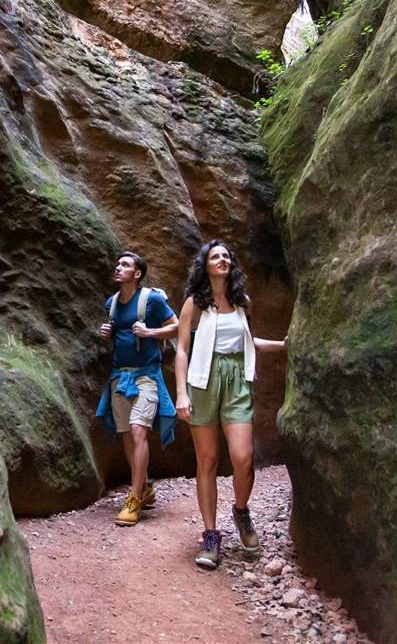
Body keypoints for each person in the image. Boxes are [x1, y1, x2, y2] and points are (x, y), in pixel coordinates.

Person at [174, 239, 286, 569]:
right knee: (207, 459)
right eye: (215, 256)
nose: (222, 260)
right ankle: (211, 535)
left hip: (237, 380)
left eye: (226, 256)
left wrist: (283, 345)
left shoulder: (241, 302)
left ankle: (240, 510)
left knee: (243, 457)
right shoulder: (194, 304)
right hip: (203, 381)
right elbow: (181, 349)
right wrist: (181, 393)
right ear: (205, 265)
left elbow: (249, 342)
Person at [95, 251, 180, 526]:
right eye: (118, 263)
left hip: (147, 377)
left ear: (137, 274)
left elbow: (176, 327)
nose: (118, 268)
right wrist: (107, 334)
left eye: (125, 265)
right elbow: (118, 336)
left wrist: (150, 333)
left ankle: (134, 499)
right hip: (120, 377)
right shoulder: (112, 304)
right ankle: (142, 486)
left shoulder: (152, 300)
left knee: (137, 430)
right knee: (126, 436)